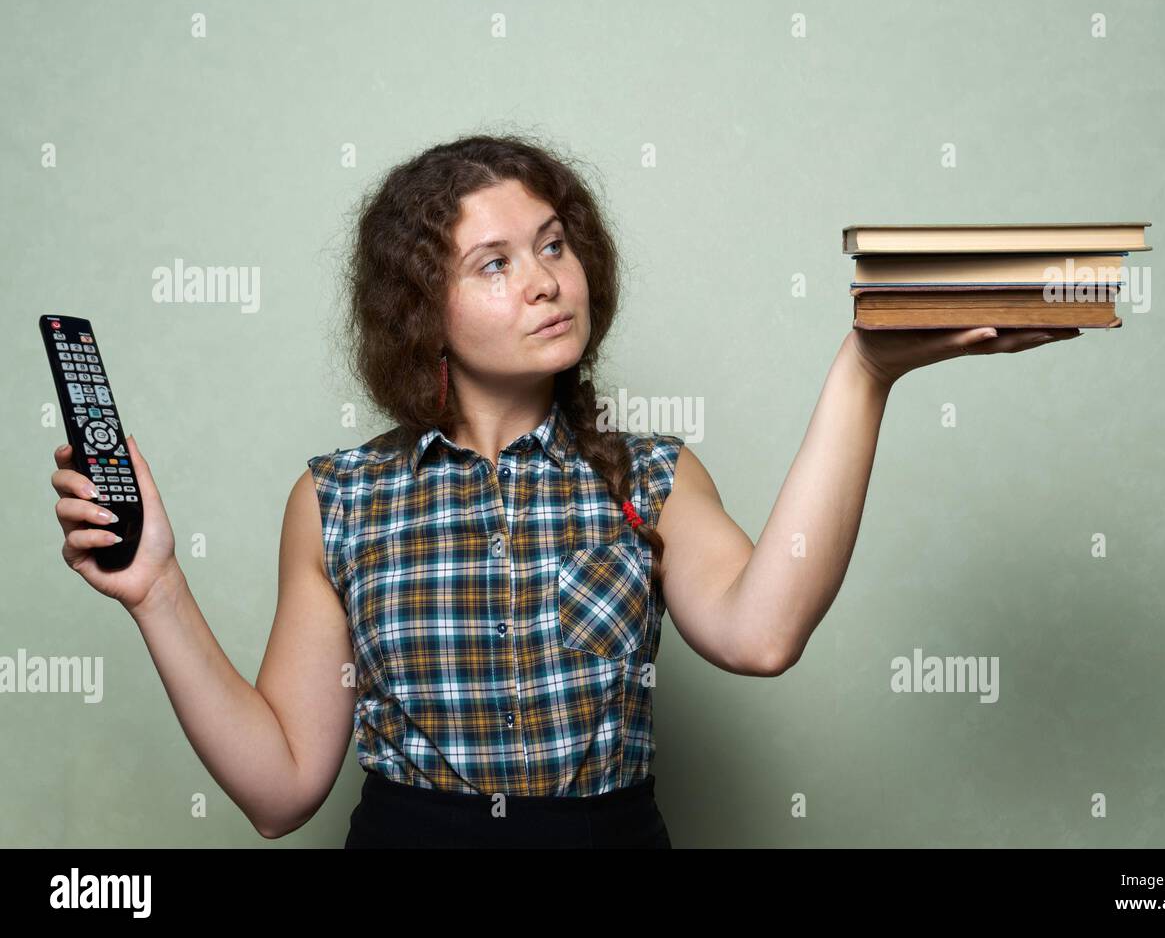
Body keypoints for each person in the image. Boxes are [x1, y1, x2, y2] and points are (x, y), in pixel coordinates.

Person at [47, 132, 1081, 848]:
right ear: (421, 311)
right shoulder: (337, 501)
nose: (545, 278)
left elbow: (762, 634)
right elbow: (280, 792)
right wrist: (158, 590)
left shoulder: (650, 477)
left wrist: (864, 373)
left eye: (551, 243)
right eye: (492, 263)